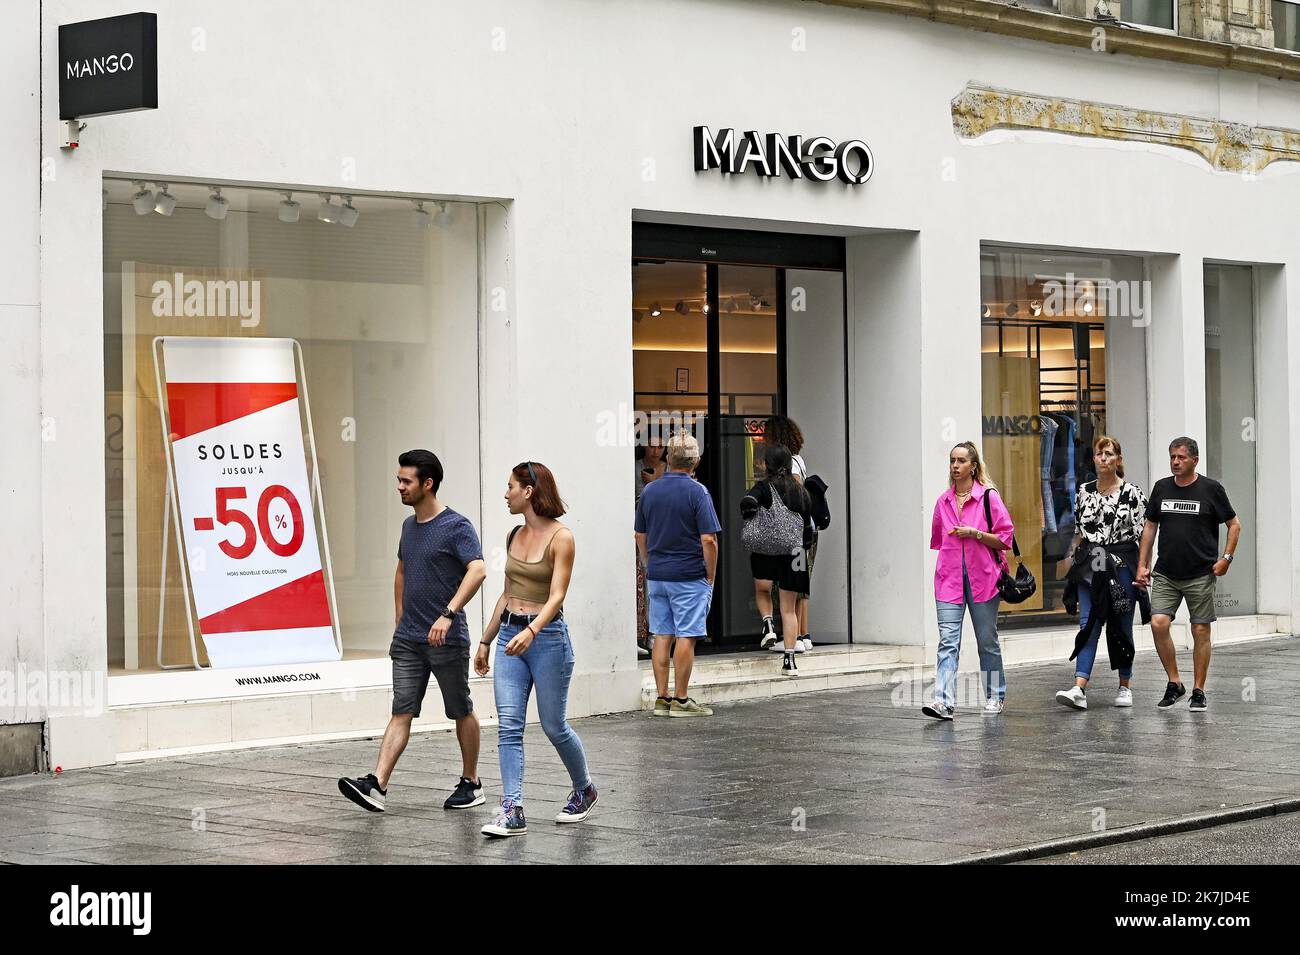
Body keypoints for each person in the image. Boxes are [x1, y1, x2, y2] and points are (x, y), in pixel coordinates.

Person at [338, 450, 487, 812]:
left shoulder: (456, 526)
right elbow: (402, 570)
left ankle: (472, 782)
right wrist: (400, 618)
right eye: (399, 480)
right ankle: (377, 785)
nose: (399, 487)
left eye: (406, 481)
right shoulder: (408, 527)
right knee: (402, 710)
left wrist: (448, 614)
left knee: (460, 709)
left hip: (446, 639)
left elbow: (479, 570)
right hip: (408, 640)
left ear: (427, 484)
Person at [476, 462, 595, 837]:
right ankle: (512, 809)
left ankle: (584, 788)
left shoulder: (562, 537)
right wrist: (485, 640)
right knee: (508, 727)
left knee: (553, 725)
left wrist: (534, 630)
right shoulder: (513, 534)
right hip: (511, 636)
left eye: (510, 486)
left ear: (528, 491)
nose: (505, 493)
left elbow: (558, 594)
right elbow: (507, 593)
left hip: (548, 641)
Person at [1137, 437, 1241, 712]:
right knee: (1158, 623)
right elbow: (1149, 527)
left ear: (1195, 460)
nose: (1175, 462)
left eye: (1181, 457)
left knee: (1199, 629)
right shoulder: (1162, 488)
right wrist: (1142, 564)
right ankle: (1175, 683)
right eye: (1172, 456)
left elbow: (1234, 525)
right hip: (1166, 573)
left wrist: (1226, 559)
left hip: (1200, 573)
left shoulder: (1211, 489)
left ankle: (1199, 690)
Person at [1055, 436, 1148, 711]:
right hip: (1092, 563)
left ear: (1118, 459)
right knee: (1089, 622)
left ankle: (1124, 685)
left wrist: (1143, 567)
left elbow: (1145, 534)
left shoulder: (1133, 493)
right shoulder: (1084, 491)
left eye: (1109, 454)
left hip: (1122, 561)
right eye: (1099, 454)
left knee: (1121, 622)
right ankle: (1079, 687)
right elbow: (1079, 532)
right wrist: (1069, 558)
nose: (1104, 458)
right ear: (1093, 458)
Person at [922, 441, 1014, 720]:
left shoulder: (988, 497)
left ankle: (995, 695)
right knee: (947, 642)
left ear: (973, 466)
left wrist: (975, 534)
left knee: (987, 641)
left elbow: (1005, 538)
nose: (955, 466)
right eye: (952, 461)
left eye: (961, 461)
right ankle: (943, 702)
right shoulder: (943, 501)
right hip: (948, 581)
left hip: (983, 580)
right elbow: (939, 540)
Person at [634, 432, 721, 717]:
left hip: (658, 575)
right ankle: (682, 700)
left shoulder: (650, 491)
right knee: (687, 635)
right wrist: (710, 573)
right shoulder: (698, 492)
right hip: (688, 574)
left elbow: (640, 534)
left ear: (668, 459)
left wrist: (649, 563)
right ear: (696, 461)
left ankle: (662, 698)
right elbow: (709, 539)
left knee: (662, 634)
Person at [742, 443, 813, 676]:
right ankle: (790, 661)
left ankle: (768, 623)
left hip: (767, 549)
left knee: (763, 590)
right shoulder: (800, 490)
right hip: (796, 552)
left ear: (767, 465)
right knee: (790, 608)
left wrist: (751, 513)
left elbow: (748, 502)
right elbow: (807, 527)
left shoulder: (764, 487)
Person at [763, 416, 816, 652]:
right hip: (805, 529)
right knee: (801, 584)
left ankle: (794, 638)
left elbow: (793, 493)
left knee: (791, 585)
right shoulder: (799, 460)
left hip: (795, 531)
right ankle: (803, 635)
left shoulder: (790, 465)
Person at [634, 444, 667, 659]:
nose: (655, 451)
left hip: (663, 531)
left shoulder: (671, 469)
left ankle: (658, 634)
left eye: (659, 446)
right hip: (644, 530)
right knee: (642, 584)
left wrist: (653, 485)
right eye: (651, 445)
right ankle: (642, 634)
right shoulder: (636, 468)